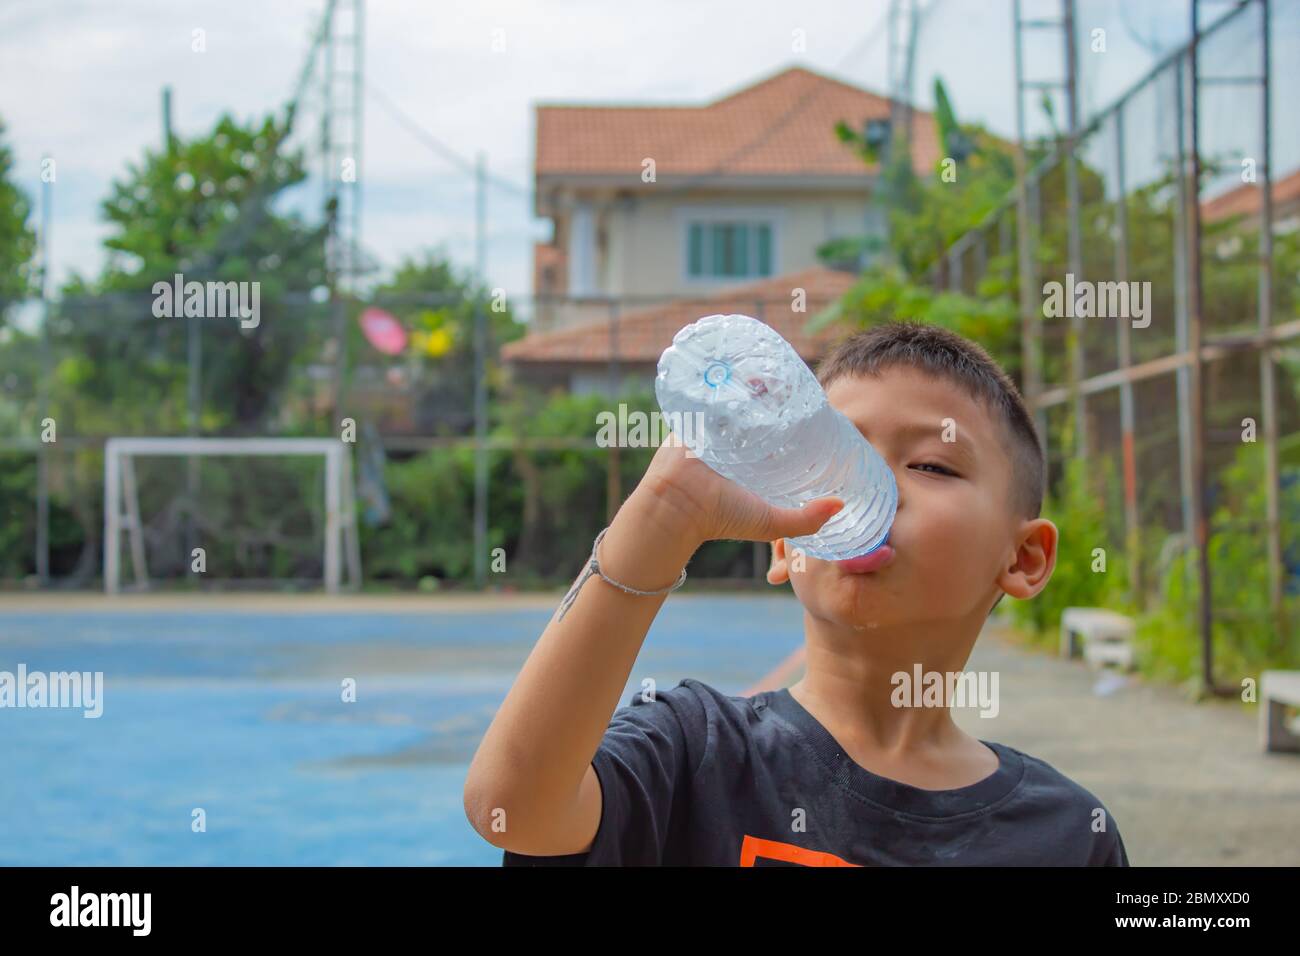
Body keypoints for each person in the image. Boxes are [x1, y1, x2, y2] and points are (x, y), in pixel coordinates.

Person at [464, 320, 1130, 866]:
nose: (875, 489)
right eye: (838, 455)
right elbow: (511, 806)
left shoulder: (1069, 836)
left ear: (1024, 556)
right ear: (783, 544)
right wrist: (661, 517)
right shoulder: (695, 754)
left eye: (930, 464)